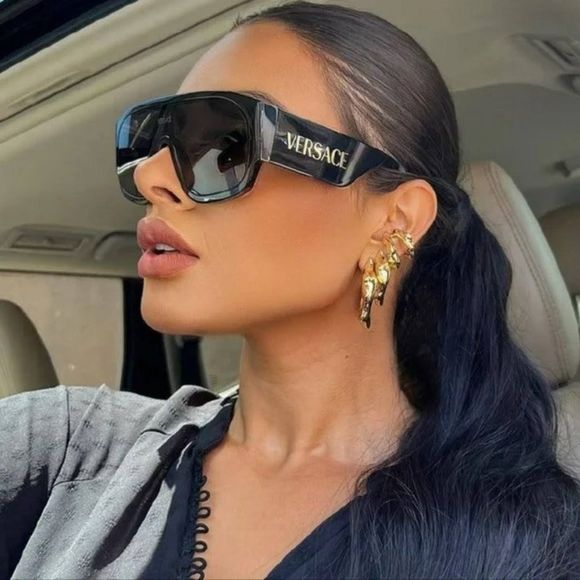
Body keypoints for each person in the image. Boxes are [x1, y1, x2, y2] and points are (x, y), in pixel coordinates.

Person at [1, 1, 579, 579]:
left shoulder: (534, 540)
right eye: (153, 141)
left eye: (226, 144)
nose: (151, 174)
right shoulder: (61, 451)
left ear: (393, 221)